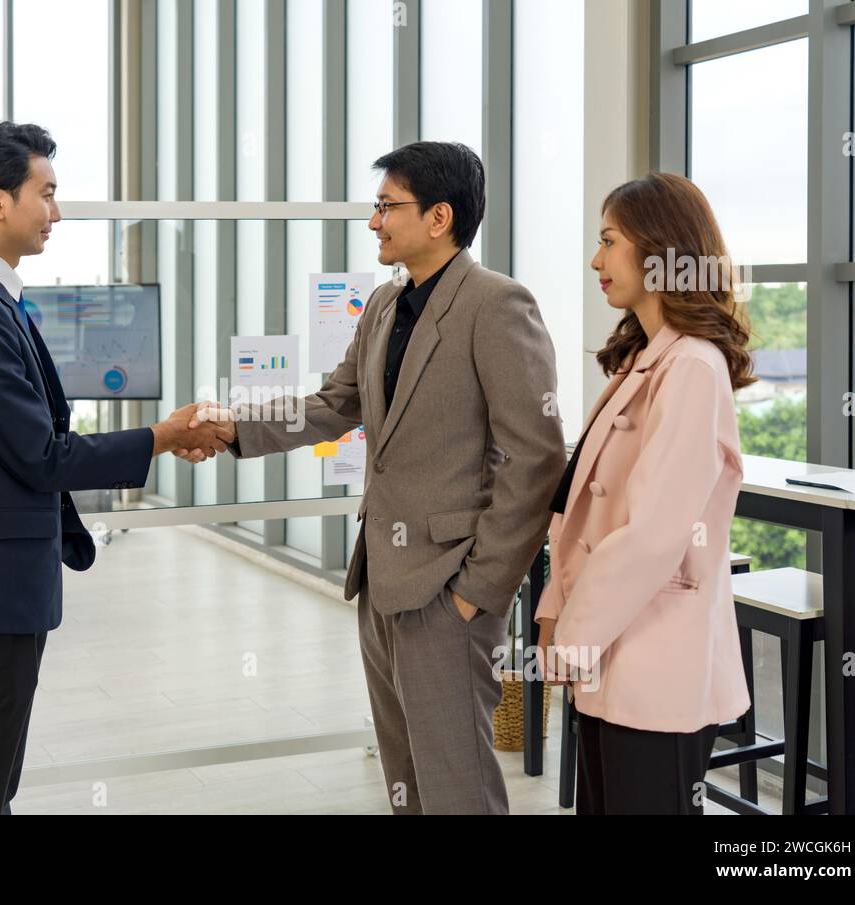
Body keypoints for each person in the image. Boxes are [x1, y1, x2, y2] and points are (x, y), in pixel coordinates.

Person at [179, 141, 566, 814]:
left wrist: (478, 590)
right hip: (382, 578)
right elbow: (334, 405)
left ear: (439, 217)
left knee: (458, 786)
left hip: (449, 586)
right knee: (406, 778)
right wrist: (233, 425)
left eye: (387, 206)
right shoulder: (386, 304)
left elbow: (536, 458)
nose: (373, 221)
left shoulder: (497, 304)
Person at [0, 119, 232, 814]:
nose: (56, 211)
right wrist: (162, 436)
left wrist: (162, 438)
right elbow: (42, 454)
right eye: (46, 193)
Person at [536, 171, 755, 815]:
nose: (596, 260)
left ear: (660, 251)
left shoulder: (690, 366)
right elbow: (579, 507)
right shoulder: (646, 358)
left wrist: (573, 634)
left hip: (654, 656)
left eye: (609, 241)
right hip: (616, 646)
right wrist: (556, 613)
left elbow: (655, 533)